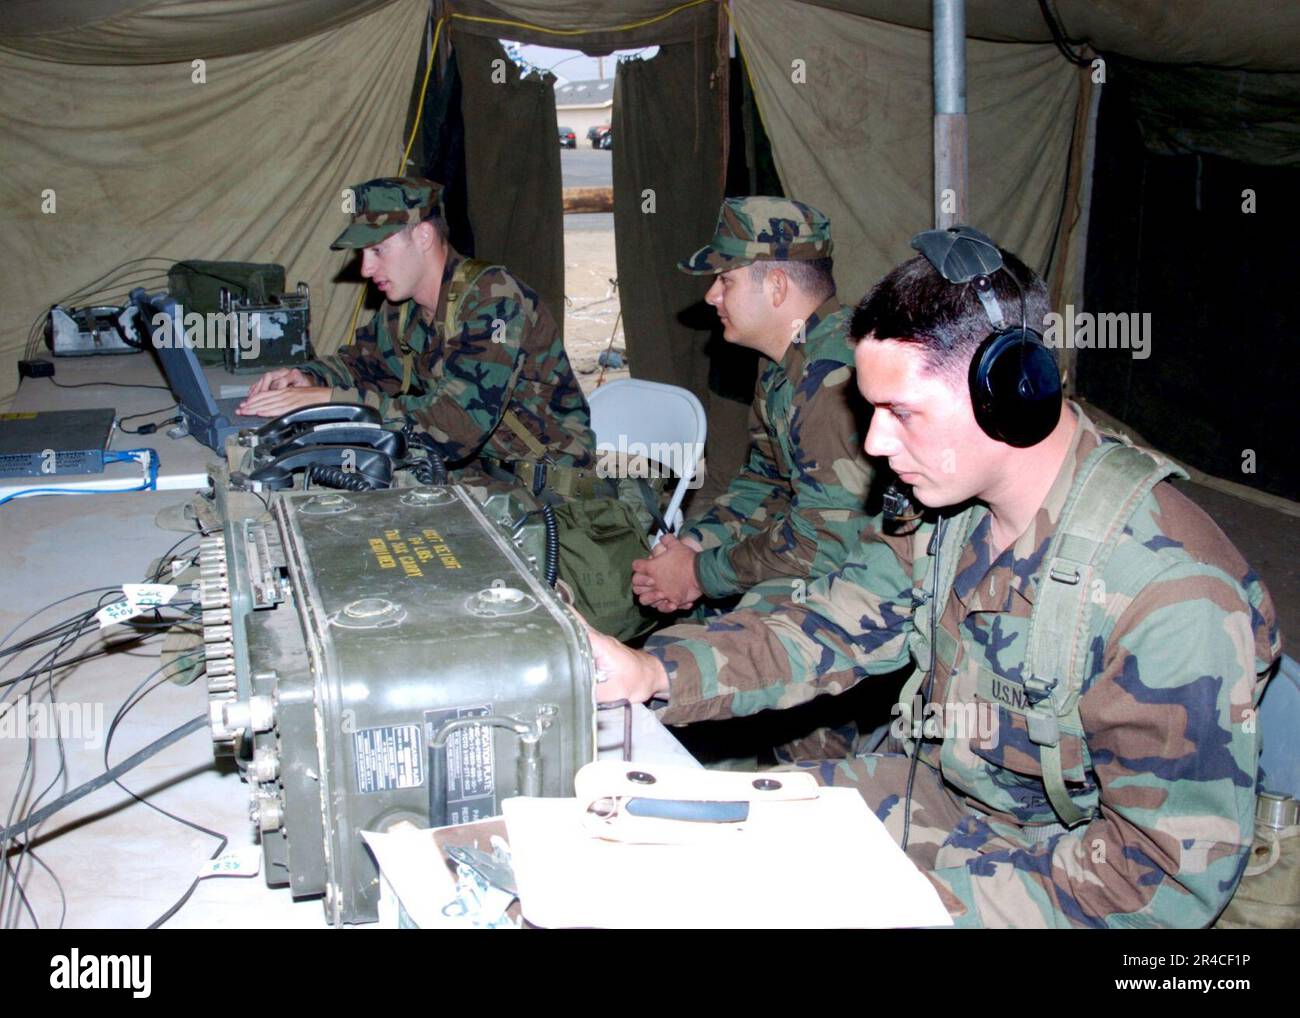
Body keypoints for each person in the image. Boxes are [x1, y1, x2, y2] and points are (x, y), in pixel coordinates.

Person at [588, 226, 1281, 928]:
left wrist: (903, 907)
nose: (876, 444)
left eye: (902, 412)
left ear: (1009, 398)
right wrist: (653, 673)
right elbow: (829, 623)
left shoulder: (1169, 592)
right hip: (951, 799)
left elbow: (1158, 883)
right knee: (693, 841)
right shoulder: (951, 511)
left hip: (1067, 870)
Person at [238, 176, 596, 482]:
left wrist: (332, 400)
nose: (365, 269)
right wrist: (308, 377)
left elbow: (454, 427)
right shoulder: (403, 308)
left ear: (424, 236)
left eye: (377, 250)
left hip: (544, 493)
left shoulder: (494, 300)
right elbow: (362, 366)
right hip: (477, 479)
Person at [631, 196, 873, 618]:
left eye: (726, 280)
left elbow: (823, 546)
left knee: (723, 638)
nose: (711, 296)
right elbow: (769, 483)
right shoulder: (782, 363)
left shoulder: (834, 379)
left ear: (777, 287)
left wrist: (698, 574)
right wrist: (694, 545)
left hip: (872, 578)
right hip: (823, 552)